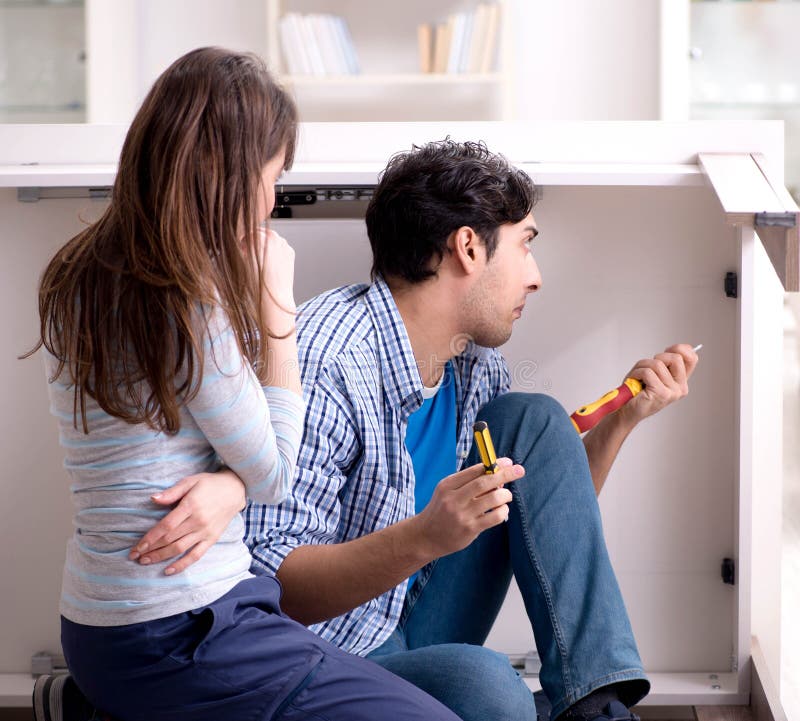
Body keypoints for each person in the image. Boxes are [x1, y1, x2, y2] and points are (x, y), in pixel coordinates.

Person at [132, 140, 699, 721]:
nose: (535, 278)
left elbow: (540, 523)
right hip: (329, 660)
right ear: (469, 247)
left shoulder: (475, 363)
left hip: (413, 617)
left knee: (535, 419)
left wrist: (622, 423)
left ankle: (598, 710)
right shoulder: (331, 359)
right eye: (526, 245)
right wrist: (426, 536)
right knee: (491, 690)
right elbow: (273, 591)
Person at [27, 48, 462, 721]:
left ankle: (102, 705)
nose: (273, 198)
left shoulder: (75, 273)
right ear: (228, 171)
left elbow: (201, 456)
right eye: (273, 174)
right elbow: (276, 470)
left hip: (96, 626)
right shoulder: (185, 298)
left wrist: (231, 485)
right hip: (186, 627)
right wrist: (277, 312)